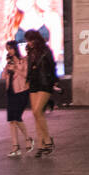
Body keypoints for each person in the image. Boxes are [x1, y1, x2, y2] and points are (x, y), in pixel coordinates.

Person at [24, 29, 57, 157]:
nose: (29, 43)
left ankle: (48, 140)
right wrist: (27, 79)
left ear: (36, 39)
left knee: (37, 111)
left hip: (45, 83)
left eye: (31, 40)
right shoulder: (30, 51)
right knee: (37, 114)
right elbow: (29, 68)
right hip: (34, 83)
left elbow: (52, 66)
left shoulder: (46, 51)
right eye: (28, 40)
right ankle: (41, 145)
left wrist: (55, 81)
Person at [1, 41, 32, 157]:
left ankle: (28, 138)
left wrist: (16, 70)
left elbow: (26, 75)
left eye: (10, 48)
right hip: (10, 91)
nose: (9, 51)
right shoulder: (9, 61)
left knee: (17, 117)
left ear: (15, 49)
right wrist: (7, 68)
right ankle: (15, 146)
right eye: (7, 49)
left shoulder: (23, 60)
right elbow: (3, 76)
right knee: (12, 120)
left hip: (21, 91)